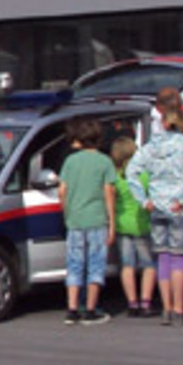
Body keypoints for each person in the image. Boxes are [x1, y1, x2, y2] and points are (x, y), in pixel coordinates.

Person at [127, 107, 183, 327]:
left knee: (163, 257)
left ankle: (167, 308)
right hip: (180, 207)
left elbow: (132, 172)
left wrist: (143, 199)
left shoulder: (151, 148)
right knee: (179, 256)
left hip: (156, 205)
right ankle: (179, 307)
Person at [56, 117, 117, 325]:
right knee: (95, 265)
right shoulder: (104, 162)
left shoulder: (70, 162)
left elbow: (62, 191)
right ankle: (91, 309)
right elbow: (109, 193)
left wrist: (67, 213)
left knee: (74, 265)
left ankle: (72, 309)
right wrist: (112, 224)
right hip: (97, 219)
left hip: (75, 221)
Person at [110, 133, 155, 317]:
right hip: (142, 224)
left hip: (122, 225)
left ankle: (132, 302)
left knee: (127, 265)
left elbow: (111, 200)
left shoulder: (115, 177)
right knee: (148, 265)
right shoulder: (143, 176)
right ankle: (146, 302)